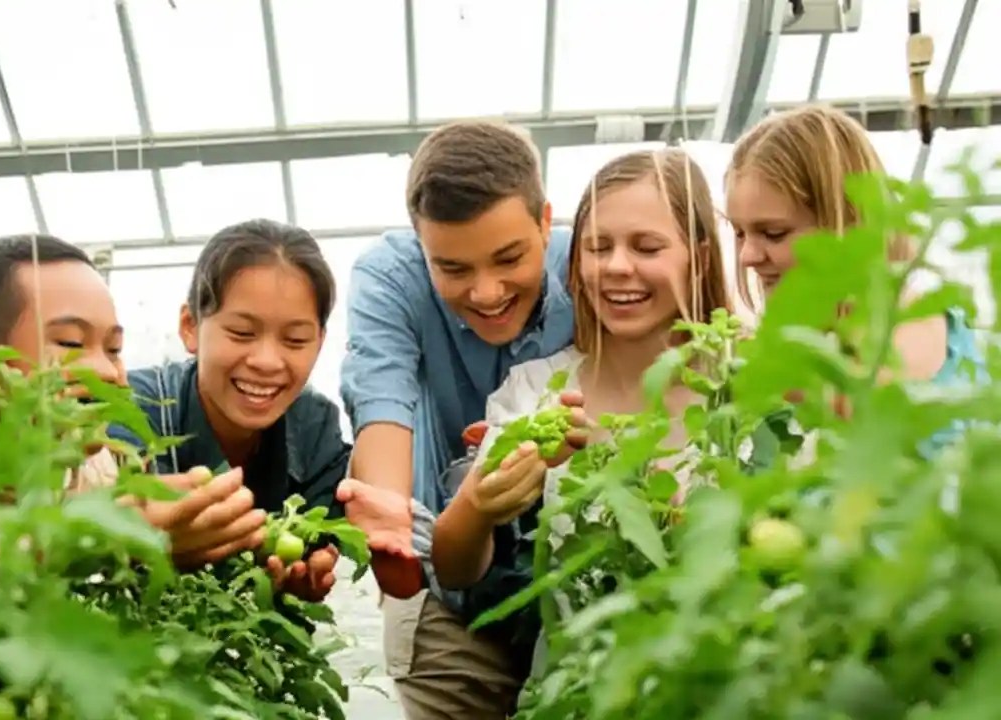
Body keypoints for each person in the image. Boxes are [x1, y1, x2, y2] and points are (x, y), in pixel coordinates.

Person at [432, 148, 732, 699]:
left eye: (647, 247)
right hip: (577, 695)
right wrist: (481, 503)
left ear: (701, 255)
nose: (617, 266)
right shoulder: (538, 393)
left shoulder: (747, 388)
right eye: (598, 247)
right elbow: (455, 567)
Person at [337, 119, 584, 719]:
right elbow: (382, 401)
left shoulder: (592, 260)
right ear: (423, 245)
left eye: (509, 258)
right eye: (452, 269)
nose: (487, 290)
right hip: (443, 595)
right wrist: (389, 518)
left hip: (577, 582)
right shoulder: (390, 278)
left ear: (544, 221)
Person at [0, 234, 266, 572]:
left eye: (114, 349)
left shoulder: (97, 472)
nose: (108, 372)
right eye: (69, 343)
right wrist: (99, 536)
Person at [110, 219, 350, 603]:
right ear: (191, 327)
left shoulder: (315, 426)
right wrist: (139, 528)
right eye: (241, 333)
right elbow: (96, 504)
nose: (268, 362)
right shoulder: (135, 404)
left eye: (295, 340)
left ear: (319, 342)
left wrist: (305, 569)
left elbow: (317, 544)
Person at [725, 104, 984, 443]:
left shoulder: (907, 333)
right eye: (739, 233)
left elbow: (873, 411)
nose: (747, 256)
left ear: (848, 223)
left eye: (774, 233)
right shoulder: (807, 342)